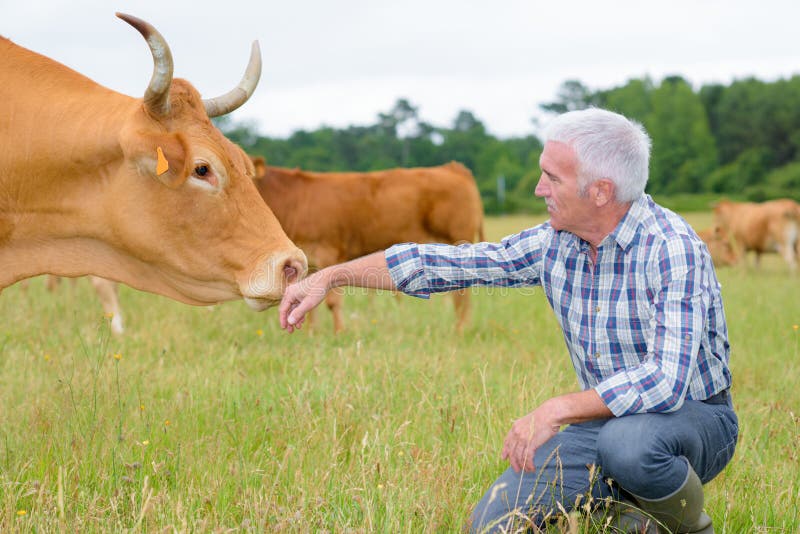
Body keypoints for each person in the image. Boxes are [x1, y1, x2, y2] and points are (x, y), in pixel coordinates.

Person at [278, 108, 737, 533]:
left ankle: (686, 525)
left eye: (552, 178)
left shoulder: (671, 247)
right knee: (493, 522)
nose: (539, 189)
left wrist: (556, 409)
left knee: (630, 447)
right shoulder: (557, 242)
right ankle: (624, 505)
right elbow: (445, 264)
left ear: (600, 191)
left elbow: (665, 381)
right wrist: (331, 276)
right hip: (602, 421)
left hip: (692, 419)